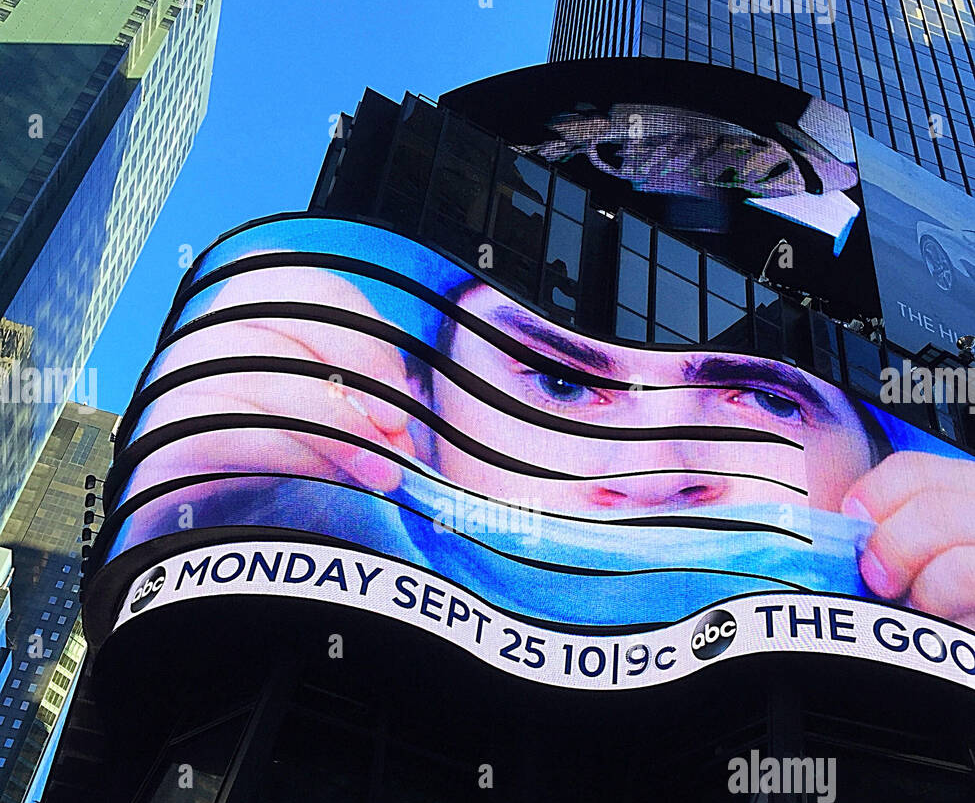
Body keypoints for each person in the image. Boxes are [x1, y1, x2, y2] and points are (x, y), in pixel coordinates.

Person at [126, 261, 975, 630]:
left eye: (759, 399)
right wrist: (202, 517)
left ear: (888, 461)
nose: (655, 475)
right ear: (411, 410)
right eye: (560, 383)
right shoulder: (300, 498)